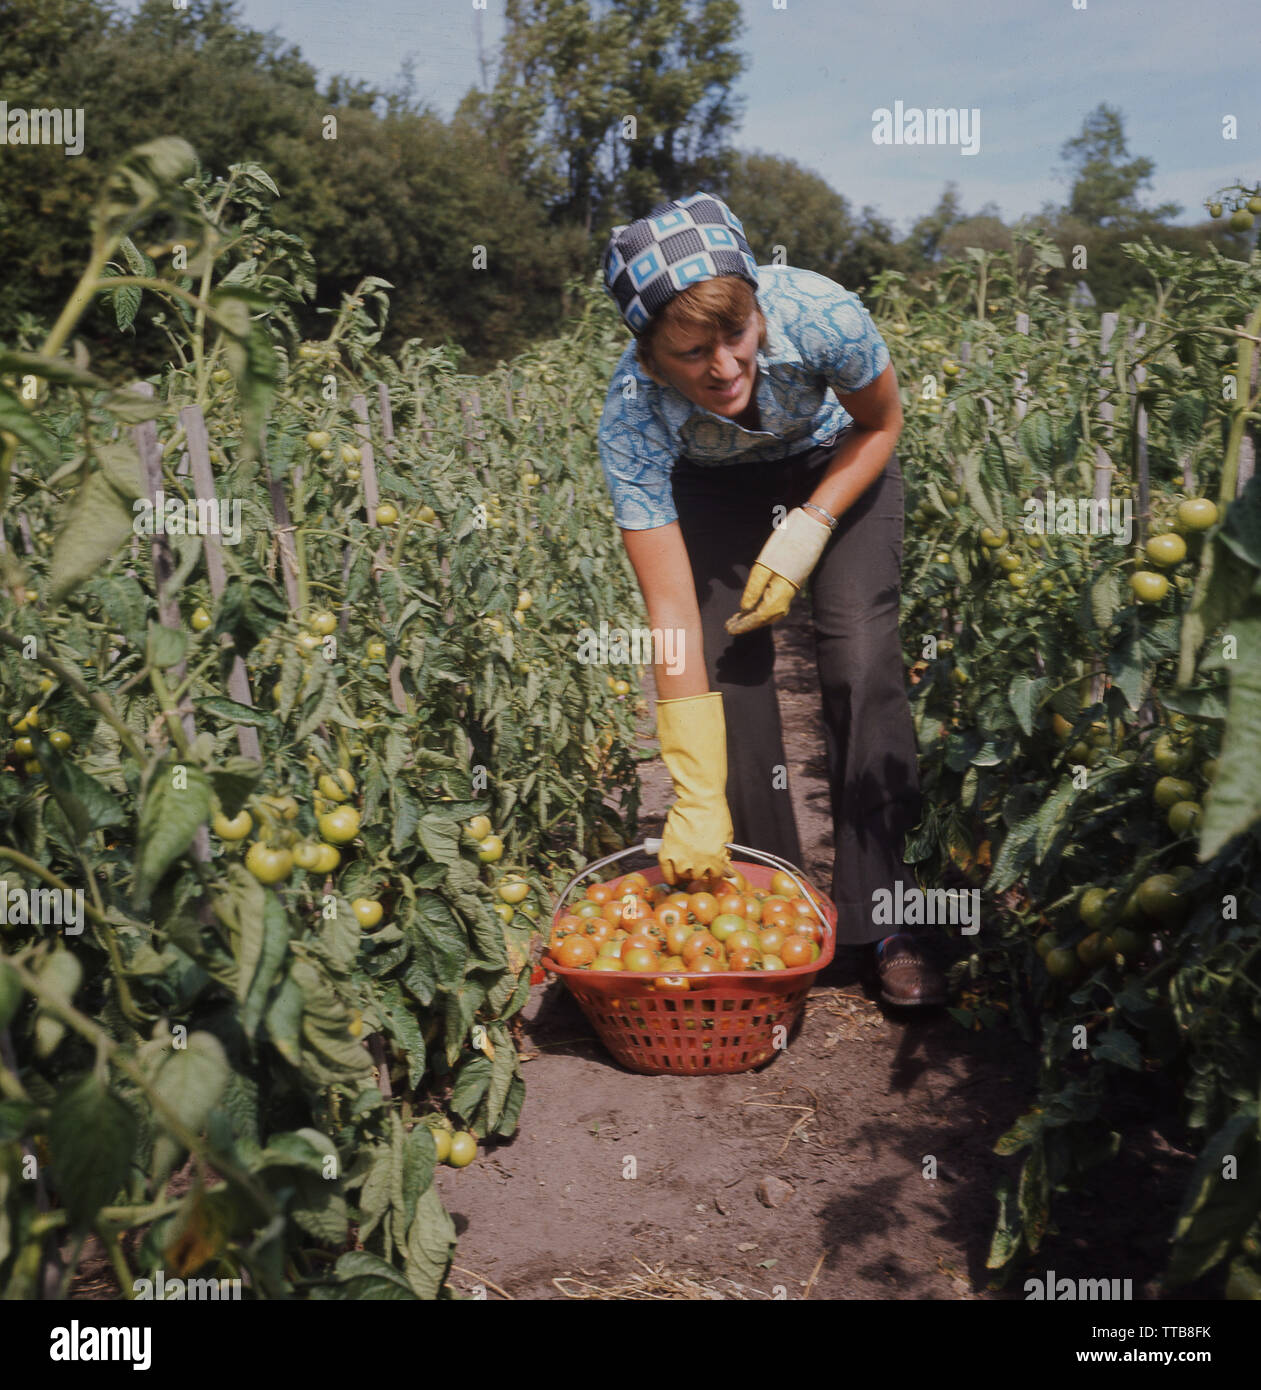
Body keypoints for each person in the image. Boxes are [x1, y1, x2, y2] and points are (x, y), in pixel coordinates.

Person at [597, 192, 947, 1007]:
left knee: (859, 657)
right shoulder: (630, 417)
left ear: (757, 309)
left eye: (736, 336)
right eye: (691, 353)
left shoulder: (824, 314)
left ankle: (887, 919)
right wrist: (689, 792)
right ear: (649, 360)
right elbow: (673, 613)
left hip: (842, 460)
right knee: (729, 674)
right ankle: (769, 902)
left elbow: (882, 423)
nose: (724, 367)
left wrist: (813, 522)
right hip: (715, 486)